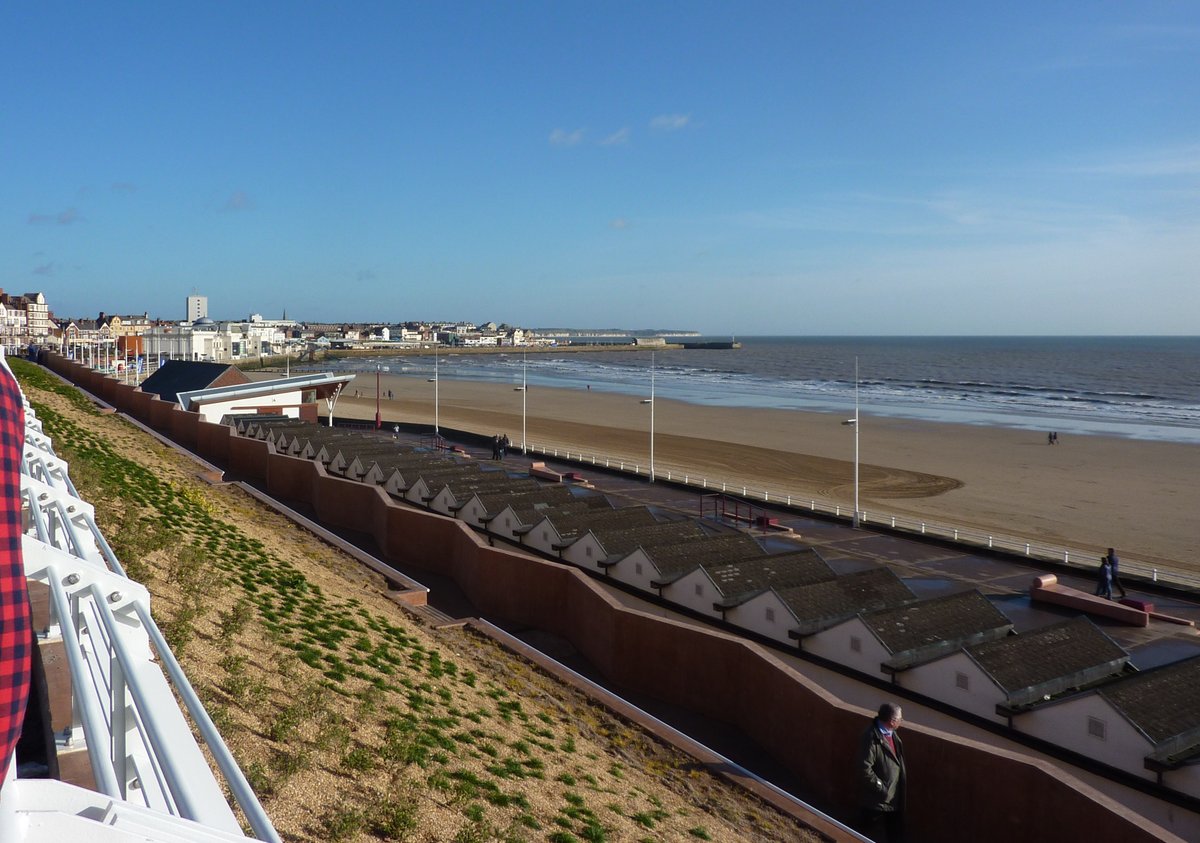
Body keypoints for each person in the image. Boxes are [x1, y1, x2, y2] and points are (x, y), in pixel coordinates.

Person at [857, 702, 907, 842]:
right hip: (877, 800)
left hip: (893, 799)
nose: (901, 722)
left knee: (895, 835)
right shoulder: (871, 738)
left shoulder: (893, 736)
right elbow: (864, 768)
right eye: (900, 719)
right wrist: (881, 787)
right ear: (892, 721)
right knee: (864, 833)